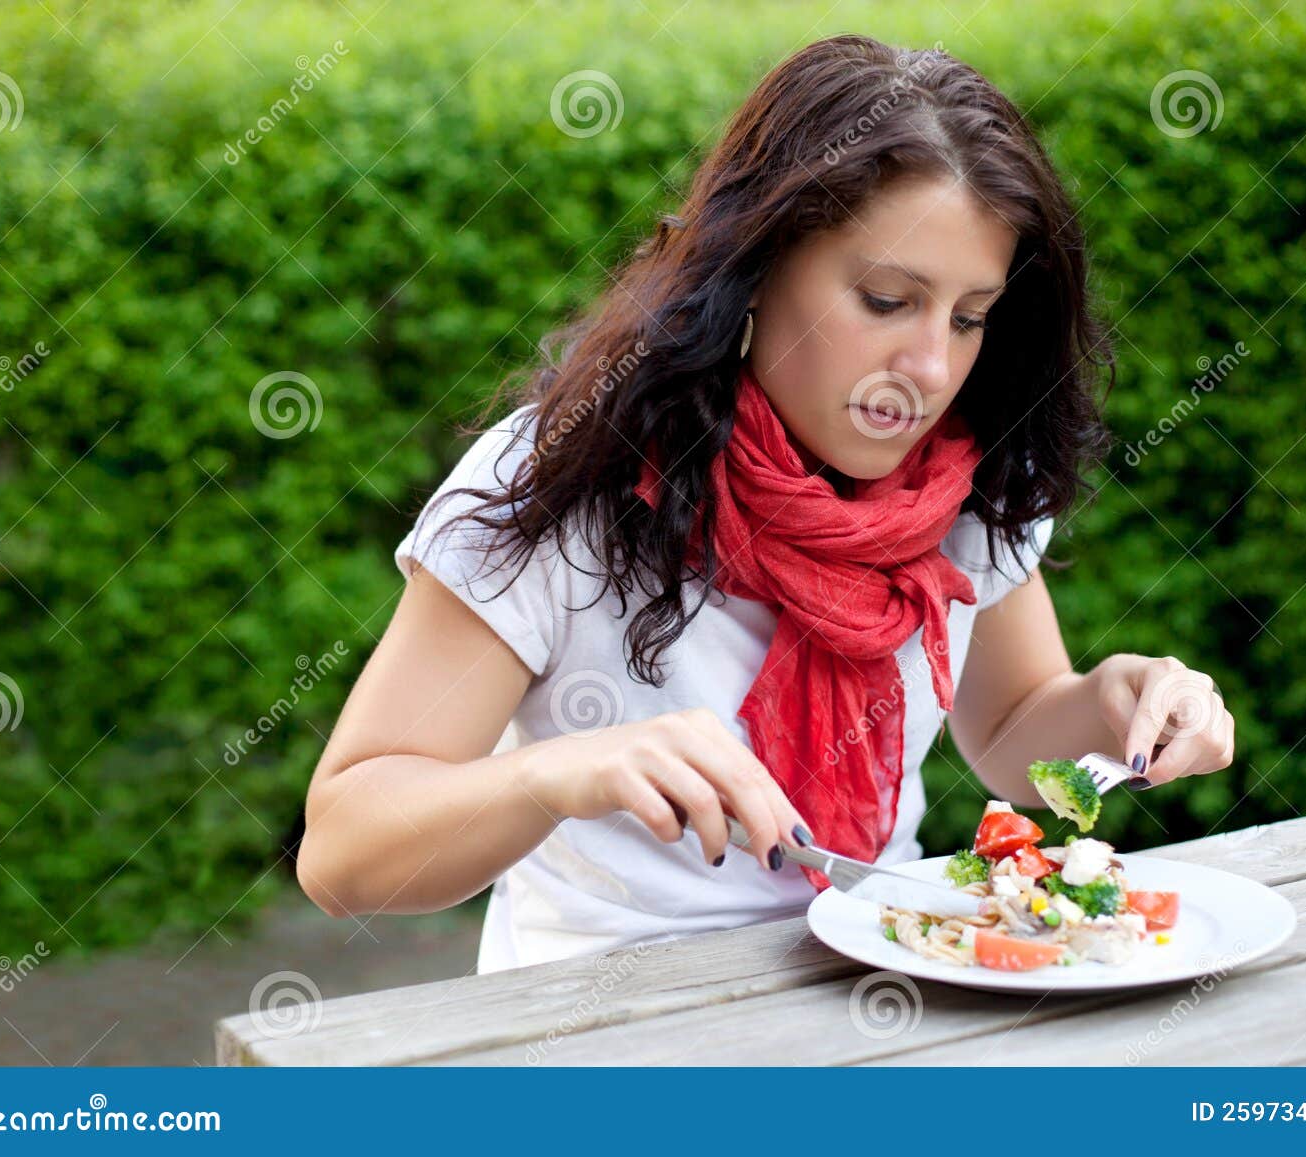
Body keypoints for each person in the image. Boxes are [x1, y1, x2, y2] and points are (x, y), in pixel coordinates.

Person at [295, 34, 1235, 973]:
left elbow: (1011, 725)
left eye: (968, 317)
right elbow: (343, 852)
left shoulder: (960, 481)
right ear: (755, 267)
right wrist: (559, 772)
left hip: (877, 998)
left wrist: (1117, 704)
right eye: (884, 299)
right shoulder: (565, 476)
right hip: (595, 1036)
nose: (930, 368)